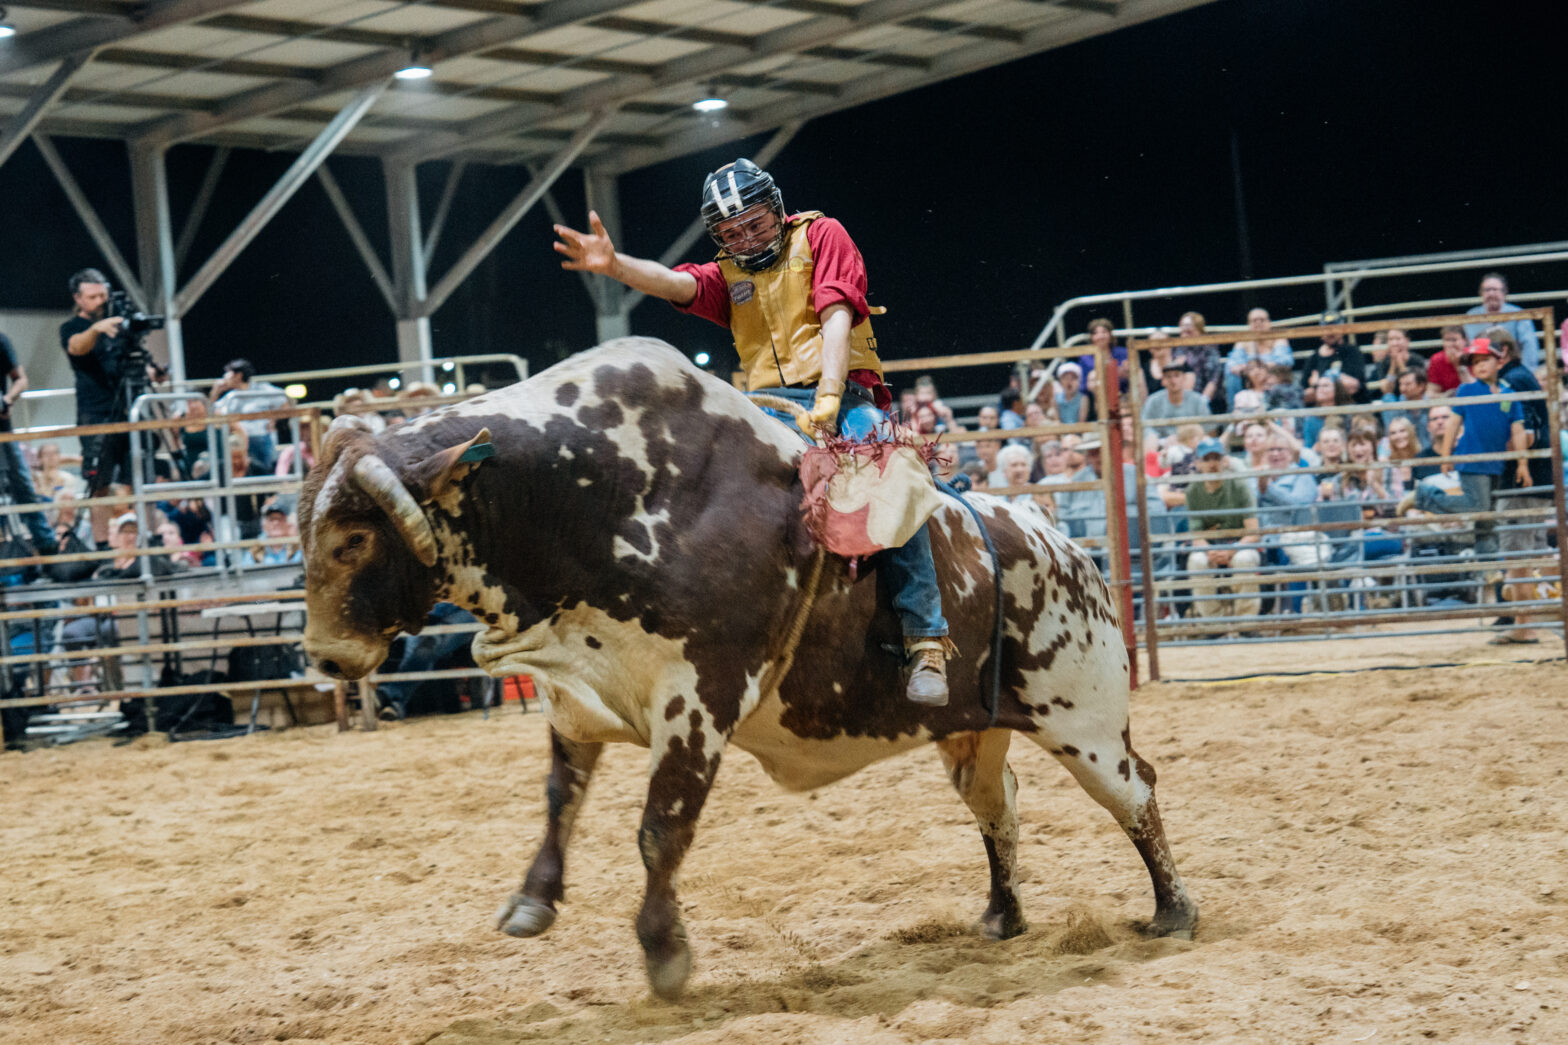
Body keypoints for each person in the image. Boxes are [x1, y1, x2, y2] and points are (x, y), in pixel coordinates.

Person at [553, 158, 953, 704]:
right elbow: (676, 281)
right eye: (730, 231)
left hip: (843, 394)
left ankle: (925, 636)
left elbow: (836, 314)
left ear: (777, 211)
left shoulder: (821, 235)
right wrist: (615, 264)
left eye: (755, 224)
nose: (745, 237)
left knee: (892, 477)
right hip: (766, 404)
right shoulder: (728, 275)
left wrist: (831, 394)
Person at [1397, 337, 1528, 560]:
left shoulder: (1509, 394)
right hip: (1471, 460)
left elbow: (1517, 430)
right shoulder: (1466, 390)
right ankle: (1423, 496)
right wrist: (1446, 455)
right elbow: (1453, 424)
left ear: (1498, 362)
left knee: (1486, 514)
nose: (1480, 366)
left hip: (1496, 463)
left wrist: (1522, 463)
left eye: (1485, 360)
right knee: (1477, 506)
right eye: (1475, 363)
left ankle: (1488, 564)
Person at [59, 268, 139, 544]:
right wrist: (94, 328)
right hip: (95, 414)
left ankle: (146, 542)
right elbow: (76, 347)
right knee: (99, 484)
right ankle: (103, 547)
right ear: (78, 299)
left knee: (139, 479)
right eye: (92, 297)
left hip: (130, 411)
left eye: (103, 295)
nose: (100, 301)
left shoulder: (119, 325)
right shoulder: (72, 328)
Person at [1490, 326, 1553, 644]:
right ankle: (1525, 621)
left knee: (1517, 557)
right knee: (1528, 555)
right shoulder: (1521, 377)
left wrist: (1490, 447)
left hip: (1521, 481)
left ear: (1501, 353)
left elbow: (1525, 435)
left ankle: (1524, 625)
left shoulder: (1512, 381)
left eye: (1482, 356)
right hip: (1532, 481)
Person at [1183, 437, 1262, 629]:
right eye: (1207, 459)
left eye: (1216, 458)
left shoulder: (1238, 485)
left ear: (1224, 461)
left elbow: (1254, 531)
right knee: (1197, 562)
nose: (1212, 464)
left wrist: (1232, 549)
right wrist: (1211, 551)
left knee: (1245, 560)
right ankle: (1213, 624)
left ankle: (1247, 624)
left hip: (1238, 543)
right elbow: (1197, 534)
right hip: (1211, 546)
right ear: (1198, 463)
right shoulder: (1193, 491)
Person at [0, 332, 57, 554]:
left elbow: (21, 379)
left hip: (4, 431)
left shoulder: (1, 341)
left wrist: (7, 399)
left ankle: (47, 546)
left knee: (22, 486)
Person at [211, 359, 290, 473]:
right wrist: (215, 392)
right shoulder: (231, 396)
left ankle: (264, 478)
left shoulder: (261, 389)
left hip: (260, 436)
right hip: (237, 439)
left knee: (260, 455)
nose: (224, 377)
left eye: (228, 373)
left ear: (238, 375)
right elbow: (212, 412)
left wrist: (275, 420)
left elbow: (284, 401)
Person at [1464, 273, 1540, 371]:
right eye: (1487, 290)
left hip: (1512, 370)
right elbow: (1468, 347)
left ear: (1504, 293)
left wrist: (1527, 373)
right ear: (1481, 293)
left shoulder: (1518, 314)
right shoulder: (1471, 316)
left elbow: (1529, 347)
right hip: (1482, 371)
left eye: (1495, 290)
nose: (1491, 294)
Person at [1226, 308, 1293, 406]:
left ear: (1269, 322)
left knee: (1278, 375)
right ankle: (1234, 412)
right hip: (1251, 378)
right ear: (1249, 324)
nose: (1258, 323)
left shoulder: (1278, 338)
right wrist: (1252, 370)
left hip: (1272, 376)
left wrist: (1260, 368)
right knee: (1232, 377)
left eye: (1262, 320)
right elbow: (1232, 364)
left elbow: (1284, 362)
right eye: (1254, 321)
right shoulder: (1243, 341)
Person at [1141, 359, 1210, 444]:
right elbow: (1145, 427)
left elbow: (1207, 429)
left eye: (1177, 376)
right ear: (1163, 381)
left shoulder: (1198, 400)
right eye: (1168, 376)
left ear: (1184, 378)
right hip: (1163, 444)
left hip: (1192, 443)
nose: (1173, 380)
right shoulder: (1153, 401)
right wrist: (1160, 441)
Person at [1298, 315, 1367, 401]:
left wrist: (1317, 384)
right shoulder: (1313, 358)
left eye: (1334, 328)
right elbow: (1304, 395)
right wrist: (1339, 381)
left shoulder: (1352, 352)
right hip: (1322, 410)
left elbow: (1354, 386)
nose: (1330, 333)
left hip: (1351, 407)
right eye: (1326, 329)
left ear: (1342, 329)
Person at [1379, 363, 1431, 450]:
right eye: (1400, 384)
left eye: (1407, 384)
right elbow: (1387, 390)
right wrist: (1394, 364)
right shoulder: (1395, 409)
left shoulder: (1433, 408)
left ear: (1421, 386)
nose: (1402, 389)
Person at [1425, 326, 1469, 396]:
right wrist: (1446, 396)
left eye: (1454, 340)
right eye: (1447, 340)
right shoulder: (1437, 359)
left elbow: (1473, 389)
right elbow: (1430, 393)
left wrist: (1458, 365)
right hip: (1447, 403)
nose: (1450, 344)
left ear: (1465, 340)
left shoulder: (1473, 356)